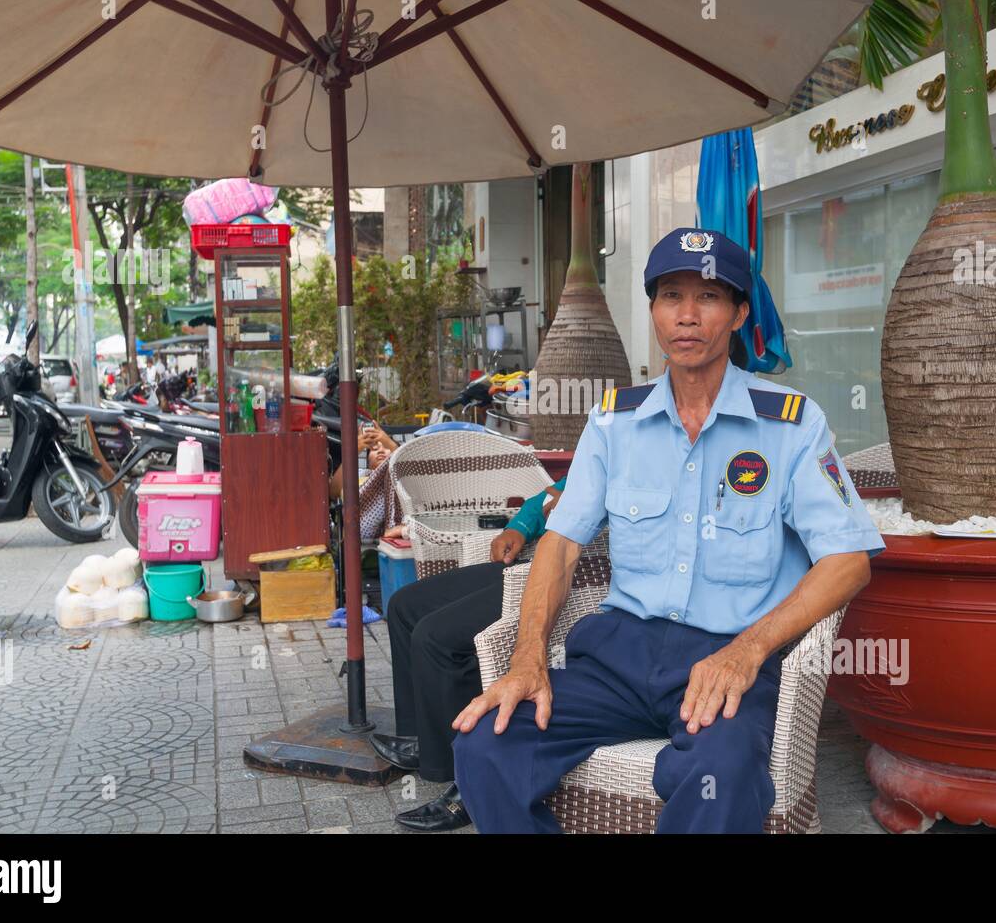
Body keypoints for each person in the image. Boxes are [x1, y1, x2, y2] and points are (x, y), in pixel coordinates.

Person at [451, 228, 886, 834]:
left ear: (737, 314)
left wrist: (748, 651)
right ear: (653, 310)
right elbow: (563, 542)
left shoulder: (790, 425)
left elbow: (849, 561)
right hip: (617, 657)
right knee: (485, 743)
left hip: (728, 653)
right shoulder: (614, 422)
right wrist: (527, 661)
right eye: (671, 295)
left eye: (708, 298)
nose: (687, 316)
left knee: (722, 775)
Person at [372, 477, 565, 832]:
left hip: (573, 576)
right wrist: (519, 527)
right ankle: (425, 741)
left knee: (437, 636)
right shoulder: (607, 438)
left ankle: (467, 783)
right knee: (404, 606)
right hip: (532, 563)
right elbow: (555, 492)